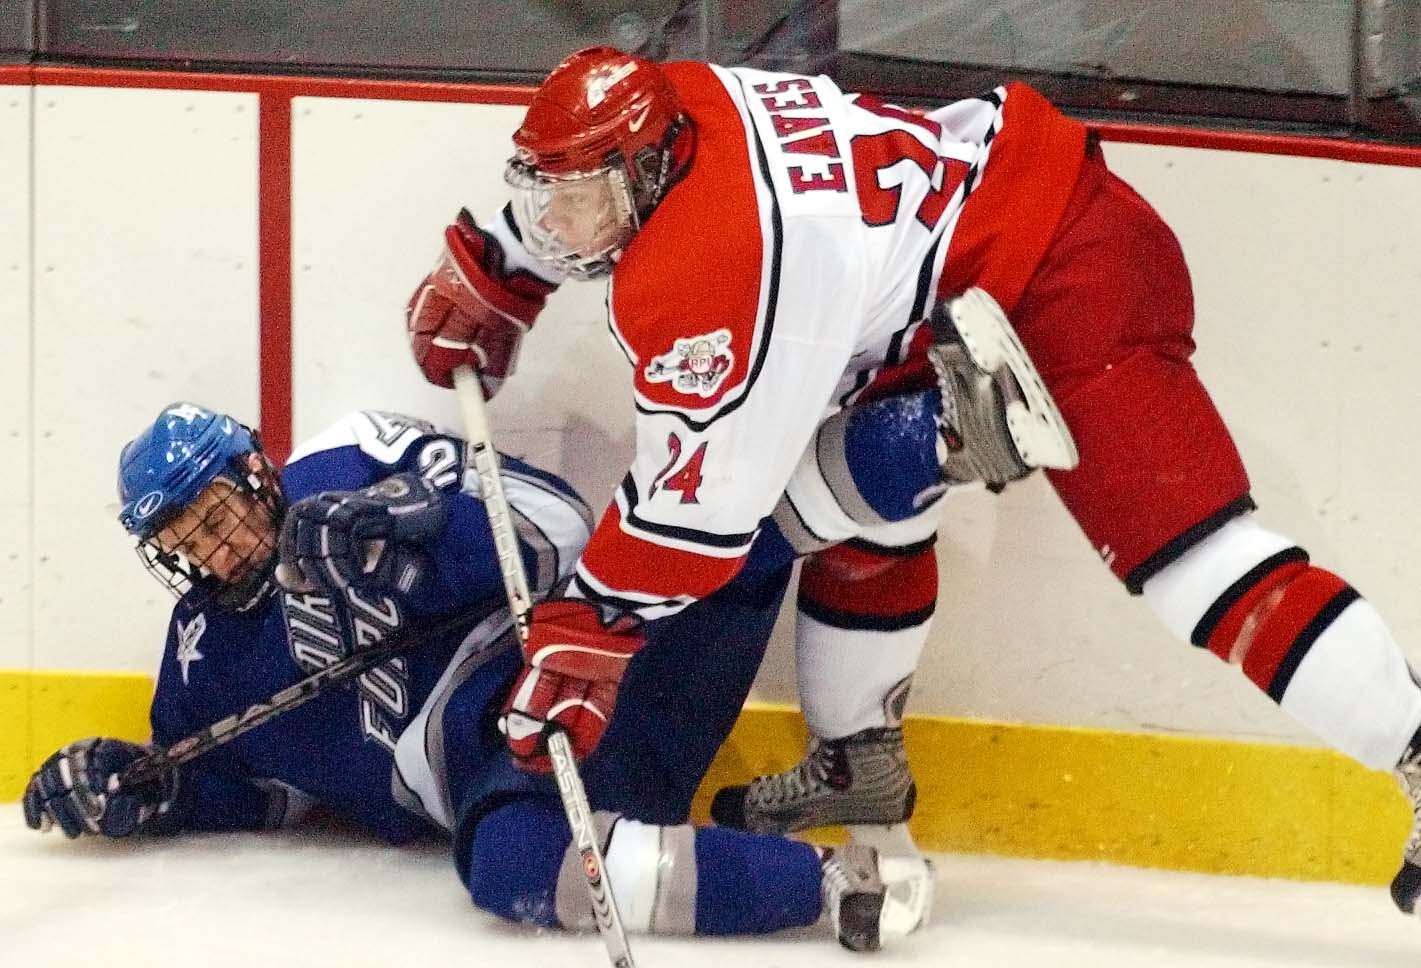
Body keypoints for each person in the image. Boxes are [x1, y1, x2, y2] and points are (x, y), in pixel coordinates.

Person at [403, 45, 1421, 917]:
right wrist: (504, 264)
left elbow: (697, 518)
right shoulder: (677, 100)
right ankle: (861, 743)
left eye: (580, 206)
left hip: (1062, 270)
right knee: (853, 507)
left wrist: (588, 636)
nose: (563, 223)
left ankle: (1412, 744)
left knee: (1194, 565)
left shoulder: (710, 266)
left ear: (651, 169)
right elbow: (584, 177)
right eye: (550, 199)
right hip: (962, 259)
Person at [19, 401, 937, 952]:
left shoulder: (354, 460)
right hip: (521, 773)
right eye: (186, 546)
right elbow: (263, 793)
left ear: (259, 474)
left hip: (597, 655)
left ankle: (935, 427)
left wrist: (413, 523)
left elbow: (563, 530)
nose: (214, 554)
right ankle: (839, 887)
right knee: (513, 868)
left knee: (727, 525)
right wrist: (152, 791)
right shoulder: (200, 663)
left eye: (217, 517)